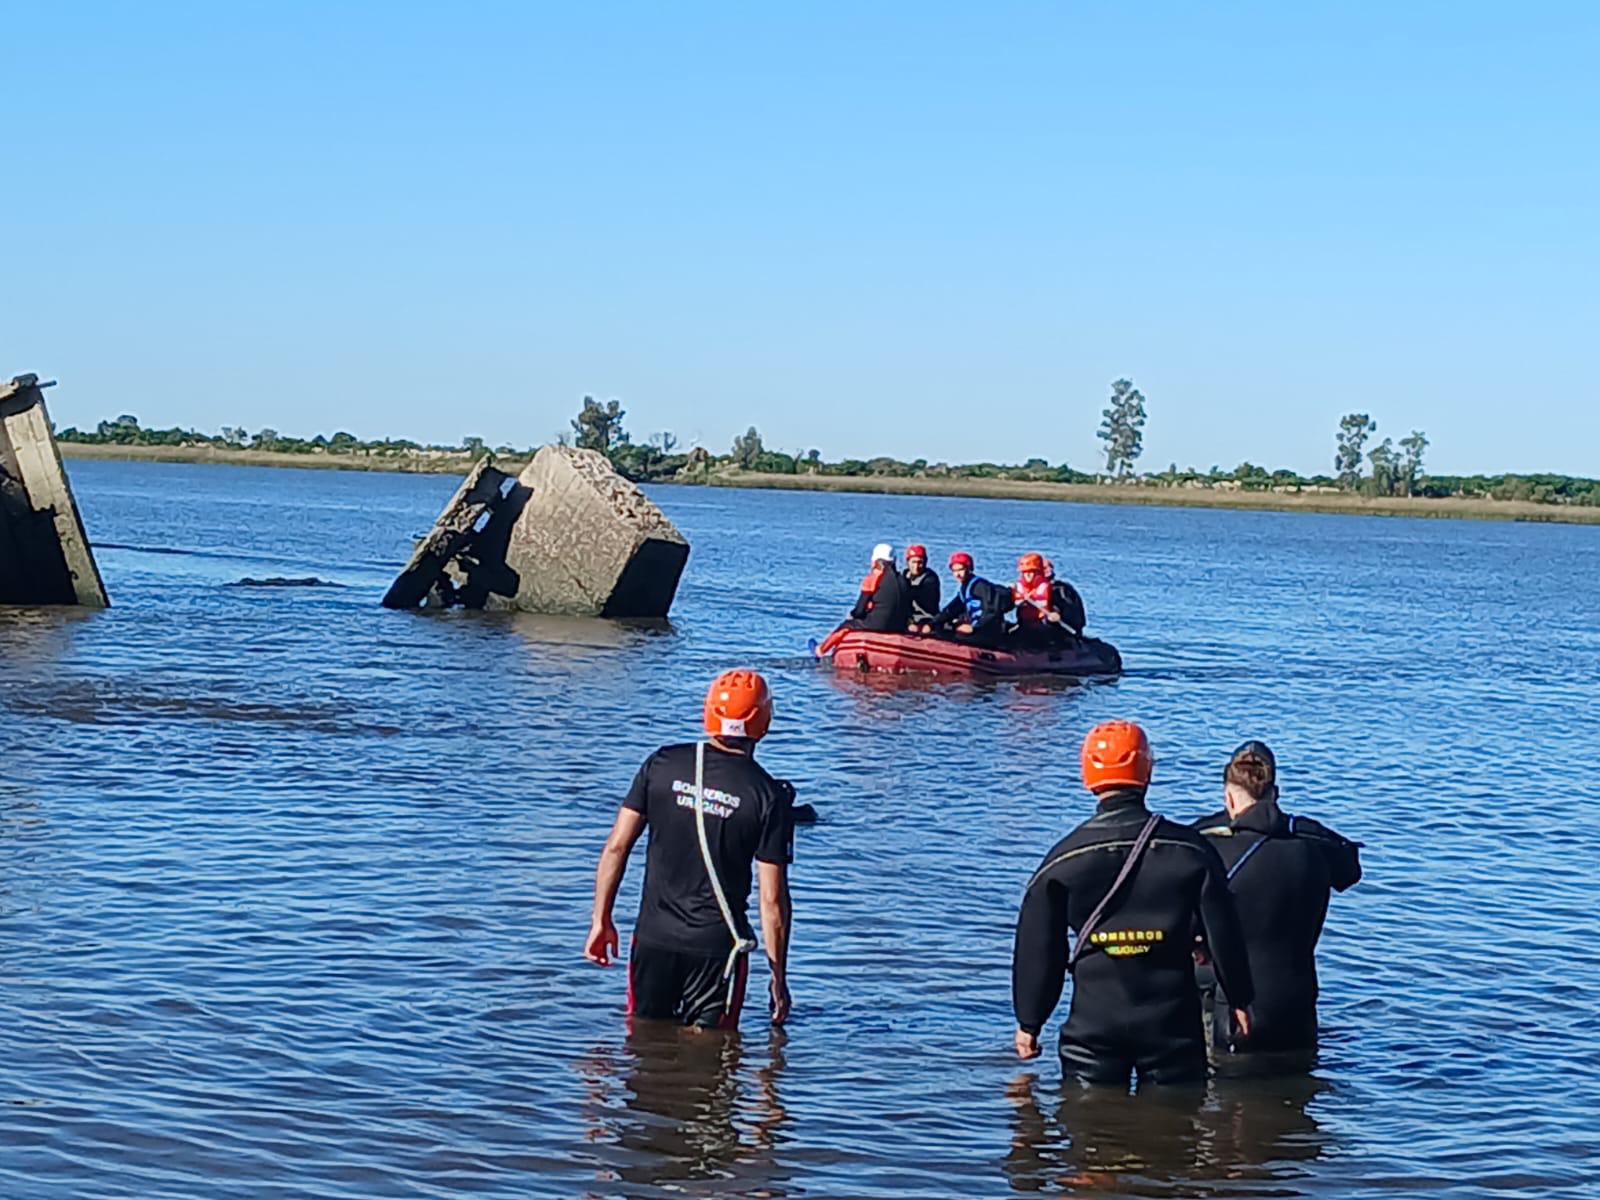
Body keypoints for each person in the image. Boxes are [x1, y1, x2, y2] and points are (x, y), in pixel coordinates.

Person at [1012, 720, 1254, 1088]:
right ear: (1148, 772)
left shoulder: (1062, 861)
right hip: (1171, 1025)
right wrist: (1239, 997)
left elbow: (1038, 949)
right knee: (1173, 1134)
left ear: (1086, 776)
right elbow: (1224, 932)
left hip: (1093, 1028)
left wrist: (1030, 1021)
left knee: (1091, 1134)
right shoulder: (1191, 851)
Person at [586, 670, 795, 1030]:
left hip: (653, 939)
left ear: (708, 713)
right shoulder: (768, 796)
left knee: (645, 1042)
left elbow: (616, 847)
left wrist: (600, 920)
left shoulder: (661, 764)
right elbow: (772, 899)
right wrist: (778, 976)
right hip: (717, 949)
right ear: (764, 721)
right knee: (710, 1059)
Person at [1192, 741, 1361, 1066]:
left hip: (1231, 1011)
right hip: (1297, 1007)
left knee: (1224, 1106)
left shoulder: (1203, 842)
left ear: (1228, 796)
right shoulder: (1312, 842)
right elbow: (1350, 871)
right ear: (1276, 791)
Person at [935, 551, 1012, 645]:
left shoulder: (980, 586)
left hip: (987, 632)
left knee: (956, 635)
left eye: (960, 570)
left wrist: (975, 628)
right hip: (976, 627)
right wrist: (933, 622)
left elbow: (992, 611)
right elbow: (951, 609)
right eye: (954, 571)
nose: (957, 574)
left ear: (969, 568)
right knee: (945, 628)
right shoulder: (965, 589)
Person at [847, 542, 911, 632]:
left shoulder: (873, 579)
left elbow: (859, 611)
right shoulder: (903, 580)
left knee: (846, 625)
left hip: (877, 625)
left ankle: (822, 646)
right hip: (899, 626)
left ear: (875, 562)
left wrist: (852, 615)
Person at [1011, 552, 1064, 646]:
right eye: (1025, 572)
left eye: (1031, 572)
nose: (1028, 575)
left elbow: (1058, 607)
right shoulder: (1017, 587)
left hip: (1044, 626)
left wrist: (1056, 614)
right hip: (1024, 624)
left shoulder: (1052, 589)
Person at [1043, 559, 1087, 639]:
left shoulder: (1062, 589)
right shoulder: (1025, 591)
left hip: (1063, 630)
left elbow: (1074, 614)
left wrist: (1059, 615)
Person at [902, 543, 941, 634]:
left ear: (925, 563)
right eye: (913, 562)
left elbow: (919, 594)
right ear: (908, 562)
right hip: (908, 617)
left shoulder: (930, 579)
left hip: (926, 618)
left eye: (920, 562)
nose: (916, 567)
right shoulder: (904, 575)